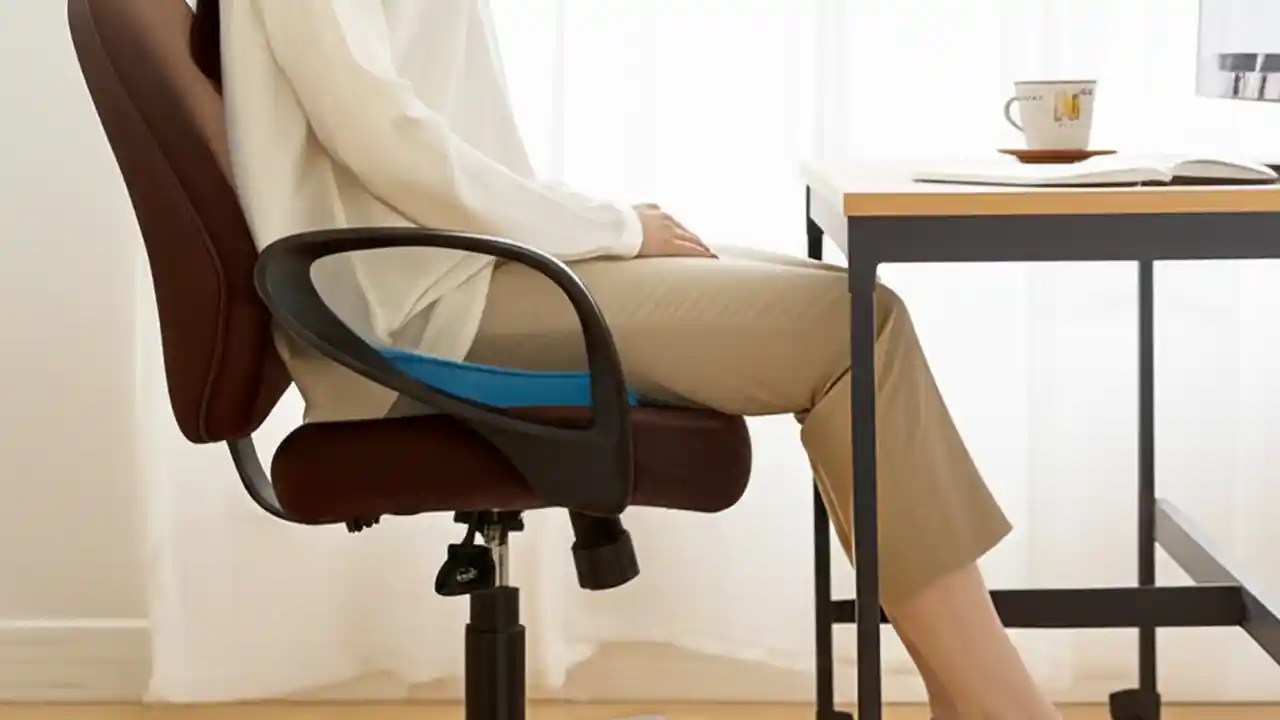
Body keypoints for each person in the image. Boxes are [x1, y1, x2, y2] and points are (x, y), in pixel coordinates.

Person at [194, 2, 1060, 717]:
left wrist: (594, 224)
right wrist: (609, 228)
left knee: (857, 308)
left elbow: (428, 134)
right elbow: (381, 136)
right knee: (851, 329)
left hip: (445, 275)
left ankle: (971, 699)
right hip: (412, 314)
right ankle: (1001, 707)